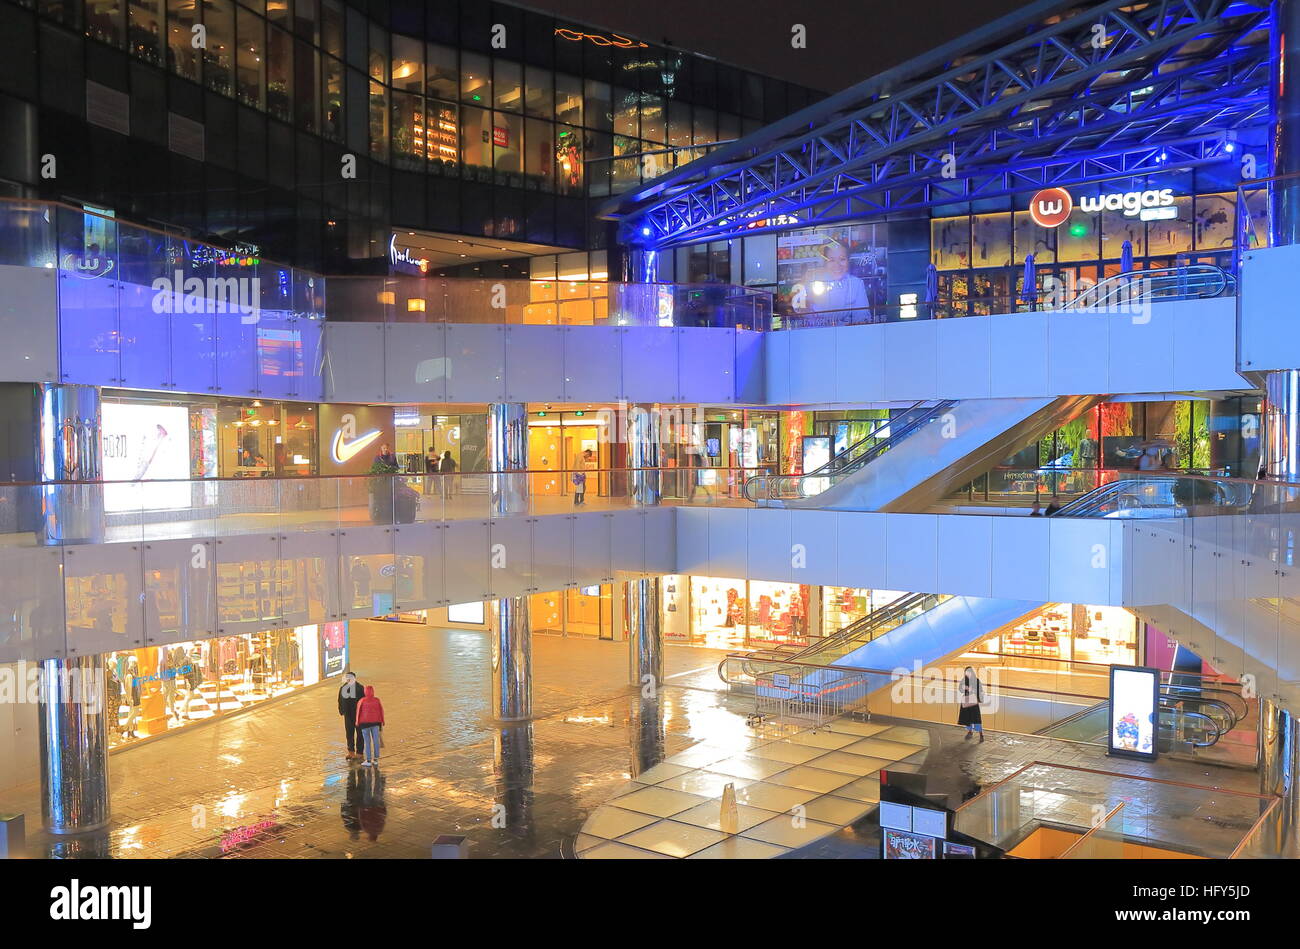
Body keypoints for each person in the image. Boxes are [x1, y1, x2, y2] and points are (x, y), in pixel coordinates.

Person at [337, 670, 367, 760]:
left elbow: (364, 701)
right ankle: (351, 752)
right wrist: (342, 711)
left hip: (358, 715)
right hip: (348, 715)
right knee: (349, 734)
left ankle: (359, 752)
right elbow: (340, 700)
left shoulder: (360, 688)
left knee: (359, 733)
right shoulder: (343, 688)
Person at [355, 684, 385, 766]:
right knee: (376, 741)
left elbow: (358, 712)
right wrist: (382, 721)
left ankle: (368, 760)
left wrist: (357, 722)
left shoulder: (362, 701)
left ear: (365, 692)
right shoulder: (377, 700)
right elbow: (381, 711)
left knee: (367, 742)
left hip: (364, 725)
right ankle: (376, 759)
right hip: (375, 724)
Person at [958, 666, 985, 742]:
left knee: (976, 719)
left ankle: (981, 734)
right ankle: (970, 732)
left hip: (973, 702)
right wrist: (964, 688)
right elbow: (960, 689)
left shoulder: (976, 681)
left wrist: (972, 690)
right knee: (967, 718)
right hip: (966, 701)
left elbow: (980, 690)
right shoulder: (964, 680)